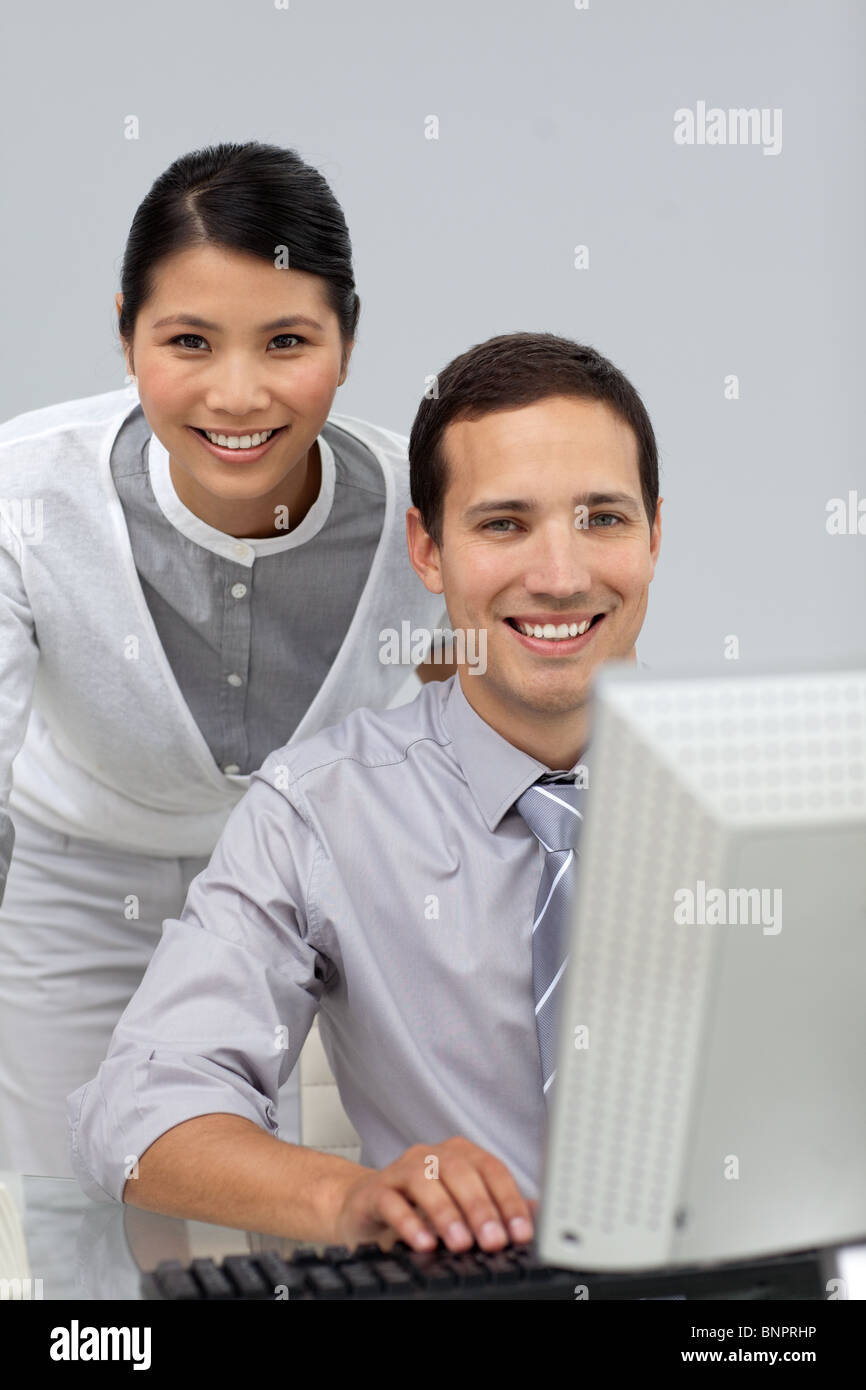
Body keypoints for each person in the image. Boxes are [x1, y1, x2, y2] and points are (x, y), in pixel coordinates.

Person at [69, 331, 663, 1257]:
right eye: (503, 523)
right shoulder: (319, 809)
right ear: (428, 550)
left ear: (654, 536)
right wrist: (352, 1202)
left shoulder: (787, 788)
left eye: (603, 518)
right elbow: (137, 1111)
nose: (559, 576)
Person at [0, 140, 451, 1178]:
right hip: (73, 882)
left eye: (286, 340)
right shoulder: (31, 495)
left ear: (346, 340)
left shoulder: (417, 516)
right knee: (75, 1214)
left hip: (292, 887)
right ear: (125, 335)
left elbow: (458, 737)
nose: (238, 394)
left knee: (259, 1208)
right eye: (189, 341)